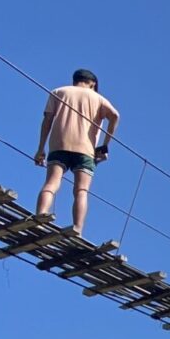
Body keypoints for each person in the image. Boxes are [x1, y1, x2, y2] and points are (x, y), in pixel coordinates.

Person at [33, 69, 120, 237]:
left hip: (58, 145)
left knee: (51, 184)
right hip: (86, 150)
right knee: (81, 190)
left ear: (75, 80)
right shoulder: (99, 99)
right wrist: (105, 145)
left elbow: (47, 121)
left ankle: (40, 214)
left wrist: (40, 148)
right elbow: (115, 116)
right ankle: (77, 228)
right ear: (93, 83)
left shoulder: (58, 92)